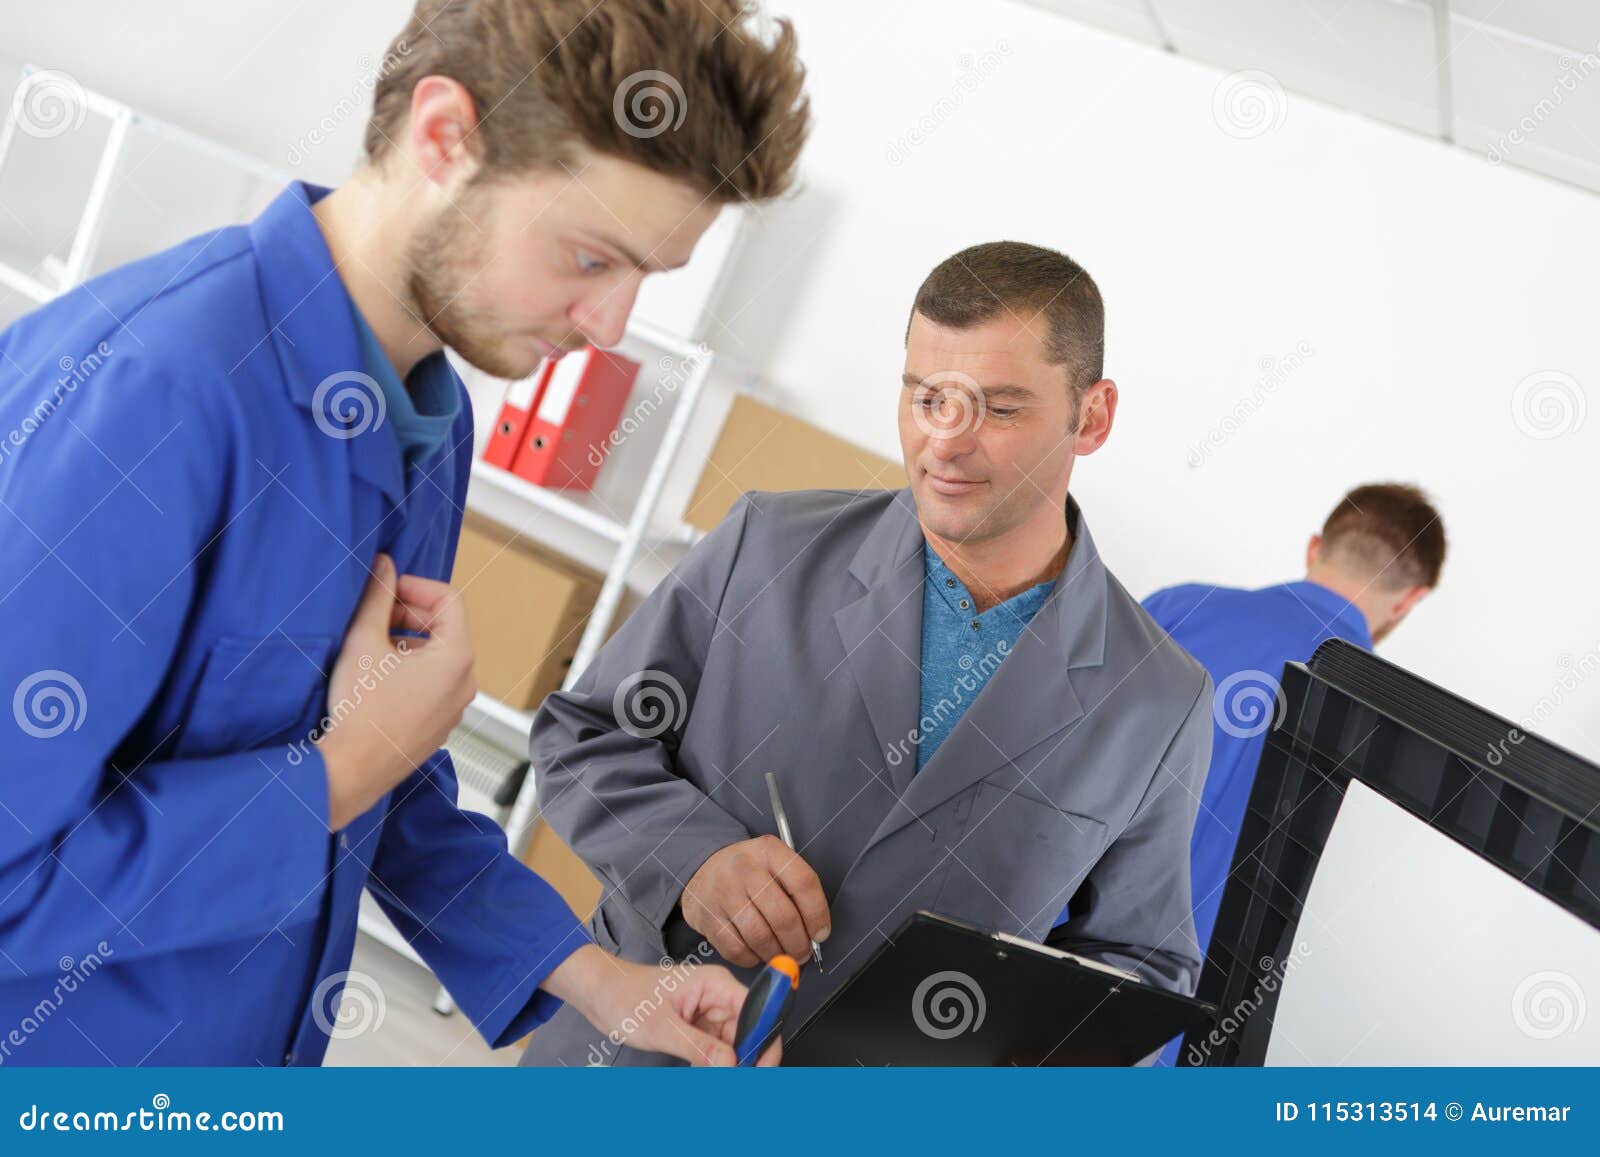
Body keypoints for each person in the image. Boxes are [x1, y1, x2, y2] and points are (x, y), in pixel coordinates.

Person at [0, 0, 807, 1066]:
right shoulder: (153, 395)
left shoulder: (429, 406)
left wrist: (595, 977)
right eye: (588, 258)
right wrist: (338, 770)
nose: (609, 328)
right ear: (443, 138)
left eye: (645, 279)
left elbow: (382, 766)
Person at [519, 241, 1215, 1066]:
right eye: (928, 396)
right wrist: (691, 857)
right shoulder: (765, 545)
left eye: (997, 407)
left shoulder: (1158, 699)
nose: (946, 442)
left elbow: (1139, 967)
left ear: (1090, 417)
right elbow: (581, 737)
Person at [1135, 483, 1445, 1065]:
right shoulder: (1376, 714)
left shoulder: (1179, 607)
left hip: (1035, 955)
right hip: (1177, 1032)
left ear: (1314, 548)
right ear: (1409, 599)